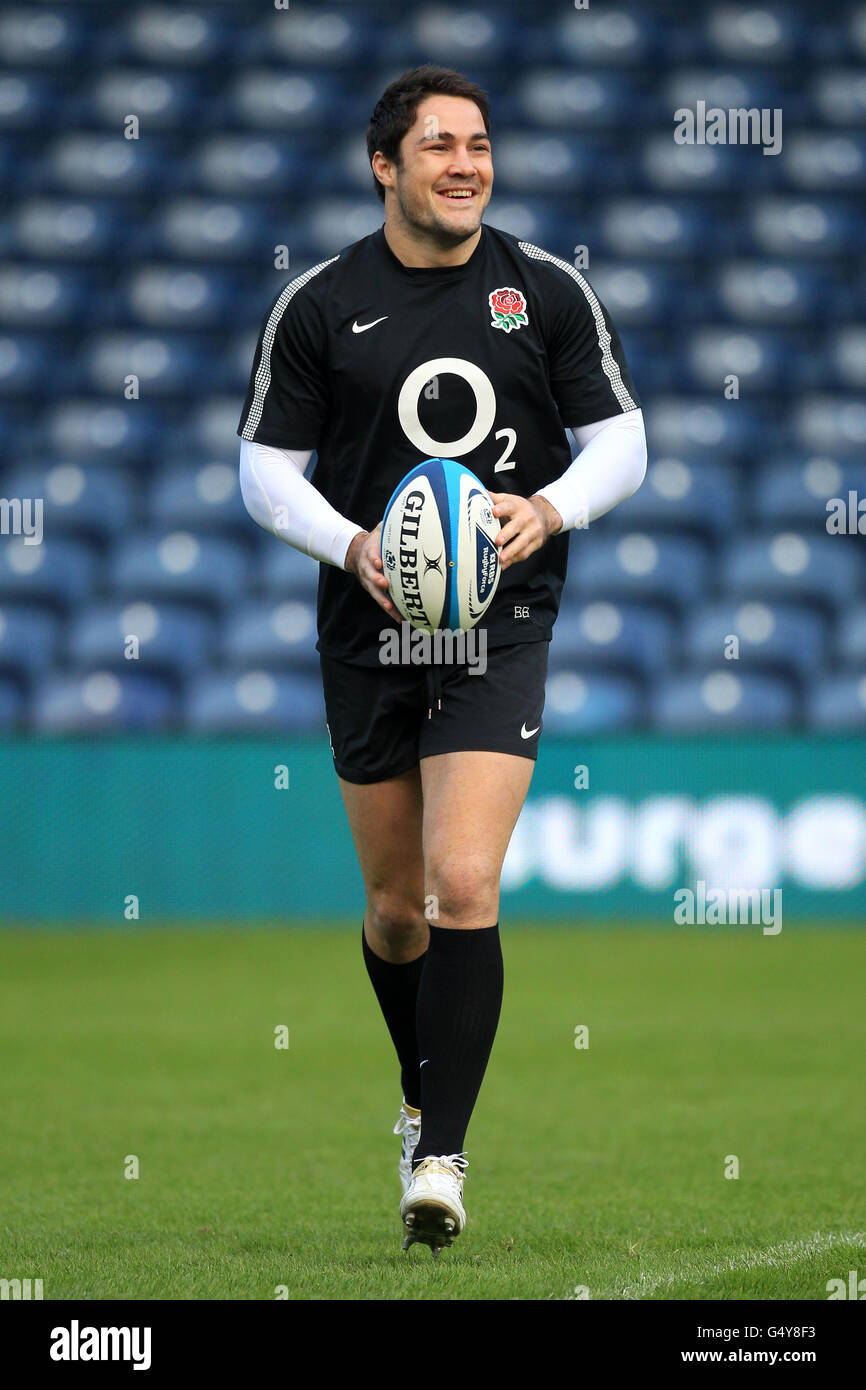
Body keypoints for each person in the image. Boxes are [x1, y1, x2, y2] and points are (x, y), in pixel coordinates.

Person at [238, 65, 647, 1256]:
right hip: (368, 625)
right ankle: (417, 1092)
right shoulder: (318, 305)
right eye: (439, 147)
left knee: (459, 883)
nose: (465, 164)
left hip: (495, 623)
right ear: (385, 165)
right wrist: (350, 540)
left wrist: (551, 512)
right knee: (392, 910)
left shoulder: (542, 289)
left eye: (478, 144)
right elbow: (263, 473)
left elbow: (621, 442)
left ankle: (440, 1154)